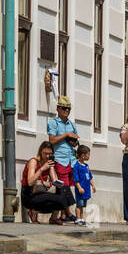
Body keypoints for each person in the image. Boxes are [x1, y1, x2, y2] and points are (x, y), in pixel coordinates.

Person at [48, 96, 80, 224]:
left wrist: (73, 140)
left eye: (69, 109)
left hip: (71, 159)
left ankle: (61, 215)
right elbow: (52, 140)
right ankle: (67, 212)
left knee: (65, 188)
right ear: (58, 109)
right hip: (60, 158)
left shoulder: (72, 124)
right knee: (63, 187)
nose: (67, 111)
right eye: (64, 108)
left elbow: (75, 140)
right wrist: (66, 135)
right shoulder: (53, 123)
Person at [22, 142, 75, 221]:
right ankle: (33, 212)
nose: (47, 156)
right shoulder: (33, 162)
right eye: (45, 153)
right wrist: (42, 169)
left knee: (65, 189)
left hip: (42, 192)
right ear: (40, 152)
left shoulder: (49, 163)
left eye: (49, 154)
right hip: (30, 194)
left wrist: (51, 168)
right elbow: (30, 182)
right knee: (61, 199)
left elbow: (54, 181)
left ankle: (54, 218)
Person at [72, 144, 95, 226]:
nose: (89, 156)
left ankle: (81, 218)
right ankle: (78, 218)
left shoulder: (86, 166)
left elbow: (90, 176)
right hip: (80, 190)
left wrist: (93, 185)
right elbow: (76, 179)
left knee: (83, 205)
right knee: (79, 205)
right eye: (88, 154)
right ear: (82, 155)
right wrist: (79, 188)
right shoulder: (77, 166)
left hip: (86, 190)